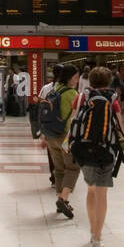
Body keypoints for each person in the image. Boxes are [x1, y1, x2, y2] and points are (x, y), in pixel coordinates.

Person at [69, 66, 124, 247]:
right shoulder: (113, 100)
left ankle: (92, 228)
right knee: (102, 193)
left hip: (85, 151)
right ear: (109, 82)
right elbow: (119, 129)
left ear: (90, 81)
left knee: (91, 190)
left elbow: (74, 121)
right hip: (105, 152)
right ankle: (97, 238)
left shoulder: (81, 97)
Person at [39, 63, 81, 219]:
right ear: (70, 78)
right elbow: (77, 116)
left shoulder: (53, 89)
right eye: (76, 78)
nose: (77, 81)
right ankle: (63, 199)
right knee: (73, 167)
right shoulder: (72, 93)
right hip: (65, 136)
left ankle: (60, 199)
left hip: (50, 135)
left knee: (59, 168)